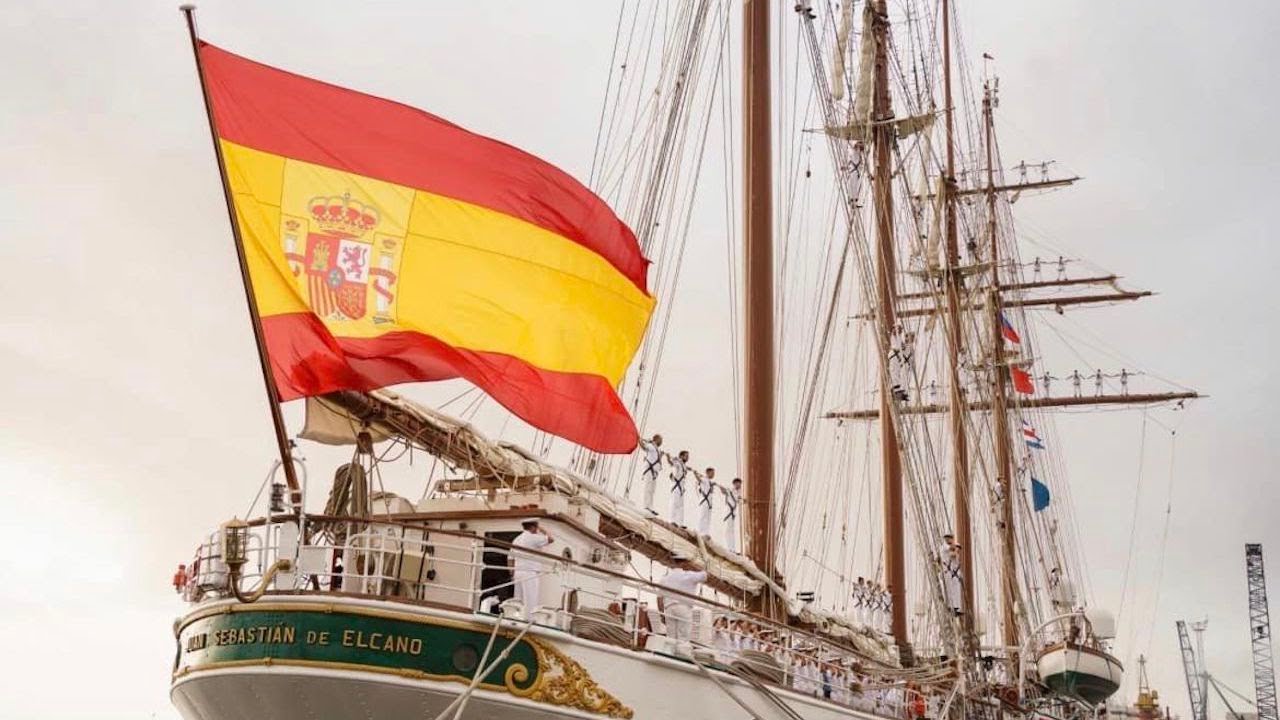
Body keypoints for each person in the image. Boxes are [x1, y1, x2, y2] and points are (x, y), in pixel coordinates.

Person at [659, 552, 707, 643]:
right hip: (684, 607)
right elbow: (705, 575)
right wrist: (696, 565)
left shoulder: (665, 578)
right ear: (684, 563)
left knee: (671, 637)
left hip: (669, 608)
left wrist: (662, 614)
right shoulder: (689, 575)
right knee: (683, 636)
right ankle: (681, 653)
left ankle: (670, 655)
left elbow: (659, 598)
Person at [510, 518, 554, 612]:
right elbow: (551, 539)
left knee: (518, 599)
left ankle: (515, 618)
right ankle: (528, 619)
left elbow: (510, 558)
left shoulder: (516, 539)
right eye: (536, 527)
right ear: (533, 527)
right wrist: (542, 529)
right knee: (530, 599)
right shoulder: (533, 537)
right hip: (530, 572)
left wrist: (512, 574)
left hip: (518, 572)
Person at [637, 433, 664, 513]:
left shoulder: (658, 450)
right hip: (649, 471)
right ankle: (646, 506)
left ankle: (650, 507)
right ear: (656, 439)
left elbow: (657, 459)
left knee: (652, 490)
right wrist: (639, 439)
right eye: (661, 440)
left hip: (655, 473)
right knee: (647, 488)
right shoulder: (651, 446)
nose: (661, 442)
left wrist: (661, 455)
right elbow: (643, 447)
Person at [668, 450, 690, 527]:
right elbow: (671, 463)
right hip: (676, 486)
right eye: (686, 456)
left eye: (688, 456)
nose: (688, 458)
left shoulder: (683, 465)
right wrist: (670, 458)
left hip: (681, 488)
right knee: (674, 503)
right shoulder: (677, 462)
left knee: (681, 506)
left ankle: (680, 523)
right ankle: (672, 520)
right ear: (681, 456)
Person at [722, 478, 742, 553]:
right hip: (728, 512)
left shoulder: (739, 492)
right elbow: (723, 492)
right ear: (734, 483)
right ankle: (728, 548)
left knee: (731, 531)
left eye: (740, 483)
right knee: (727, 530)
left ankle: (732, 548)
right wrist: (722, 488)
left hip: (733, 513)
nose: (739, 485)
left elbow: (740, 500)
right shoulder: (730, 490)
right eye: (738, 483)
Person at [943, 543, 963, 616]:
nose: (958, 549)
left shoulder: (957, 556)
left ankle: (956, 607)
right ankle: (951, 606)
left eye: (959, 548)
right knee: (952, 591)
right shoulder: (952, 555)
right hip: (952, 575)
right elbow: (950, 556)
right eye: (957, 548)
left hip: (956, 576)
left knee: (957, 592)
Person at [696, 467, 716, 536]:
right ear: (708, 472)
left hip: (709, 503)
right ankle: (700, 532)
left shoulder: (710, 482)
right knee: (702, 516)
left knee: (708, 518)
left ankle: (705, 533)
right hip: (704, 501)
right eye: (712, 473)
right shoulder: (704, 479)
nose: (713, 475)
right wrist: (696, 474)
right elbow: (698, 479)